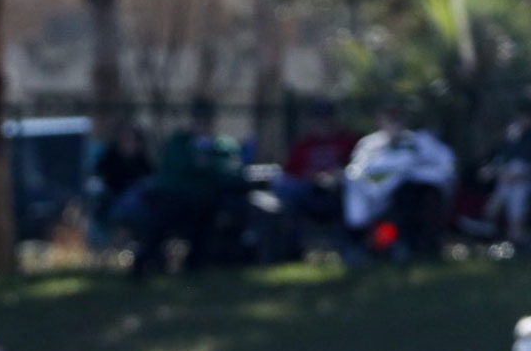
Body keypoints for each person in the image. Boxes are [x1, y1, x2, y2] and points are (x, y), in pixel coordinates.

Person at [129, 96, 248, 277]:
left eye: (206, 119)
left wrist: (204, 165)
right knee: (161, 214)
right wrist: (201, 165)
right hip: (173, 199)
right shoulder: (179, 142)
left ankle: (195, 264)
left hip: (205, 201)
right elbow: (174, 170)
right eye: (198, 119)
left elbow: (230, 170)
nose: (202, 123)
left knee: (203, 215)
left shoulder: (222, 145)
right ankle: (146, 261)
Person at [342, 102, 456, 264]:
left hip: (411, 193)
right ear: (380, 119)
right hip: (374, 197)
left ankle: (409, 245)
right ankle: (361, 243)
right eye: (389, 117)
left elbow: (444, 166)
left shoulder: (419, 141)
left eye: (397, 117)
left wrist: (411, 173)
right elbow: (357, 171)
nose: (393, 121)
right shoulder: (369, 144)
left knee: (409, 198)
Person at [269, 97, 360, 259]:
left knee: (346, 193)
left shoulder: (348, 141)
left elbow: (359, 167)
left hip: (339, 193)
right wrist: (312, 177)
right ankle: (291, 251)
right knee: (281, 187)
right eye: (319, 119)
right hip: (309, 193)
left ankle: (350, 250)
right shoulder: (305, 145)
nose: (323, 123)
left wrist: (337, 174)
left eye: (327, 118)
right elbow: (289, 174)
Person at [84, 120, 154, 250]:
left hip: (139, 204)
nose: (127, 144)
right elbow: (100, 179)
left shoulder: (142, 161)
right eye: (125, 139)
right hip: (113, 201)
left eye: (131, 140)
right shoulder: (110, 158)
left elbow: (149, 180)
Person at [480, 96, 531, 249]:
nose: (523, 120)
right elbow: (501, 159)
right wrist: (492, 170)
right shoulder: (512, 137)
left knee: (517, 192)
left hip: (524, 180)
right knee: (498, 199)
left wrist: (522, 175)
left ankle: (516, 236)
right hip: (506, 179)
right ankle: (489, 231)